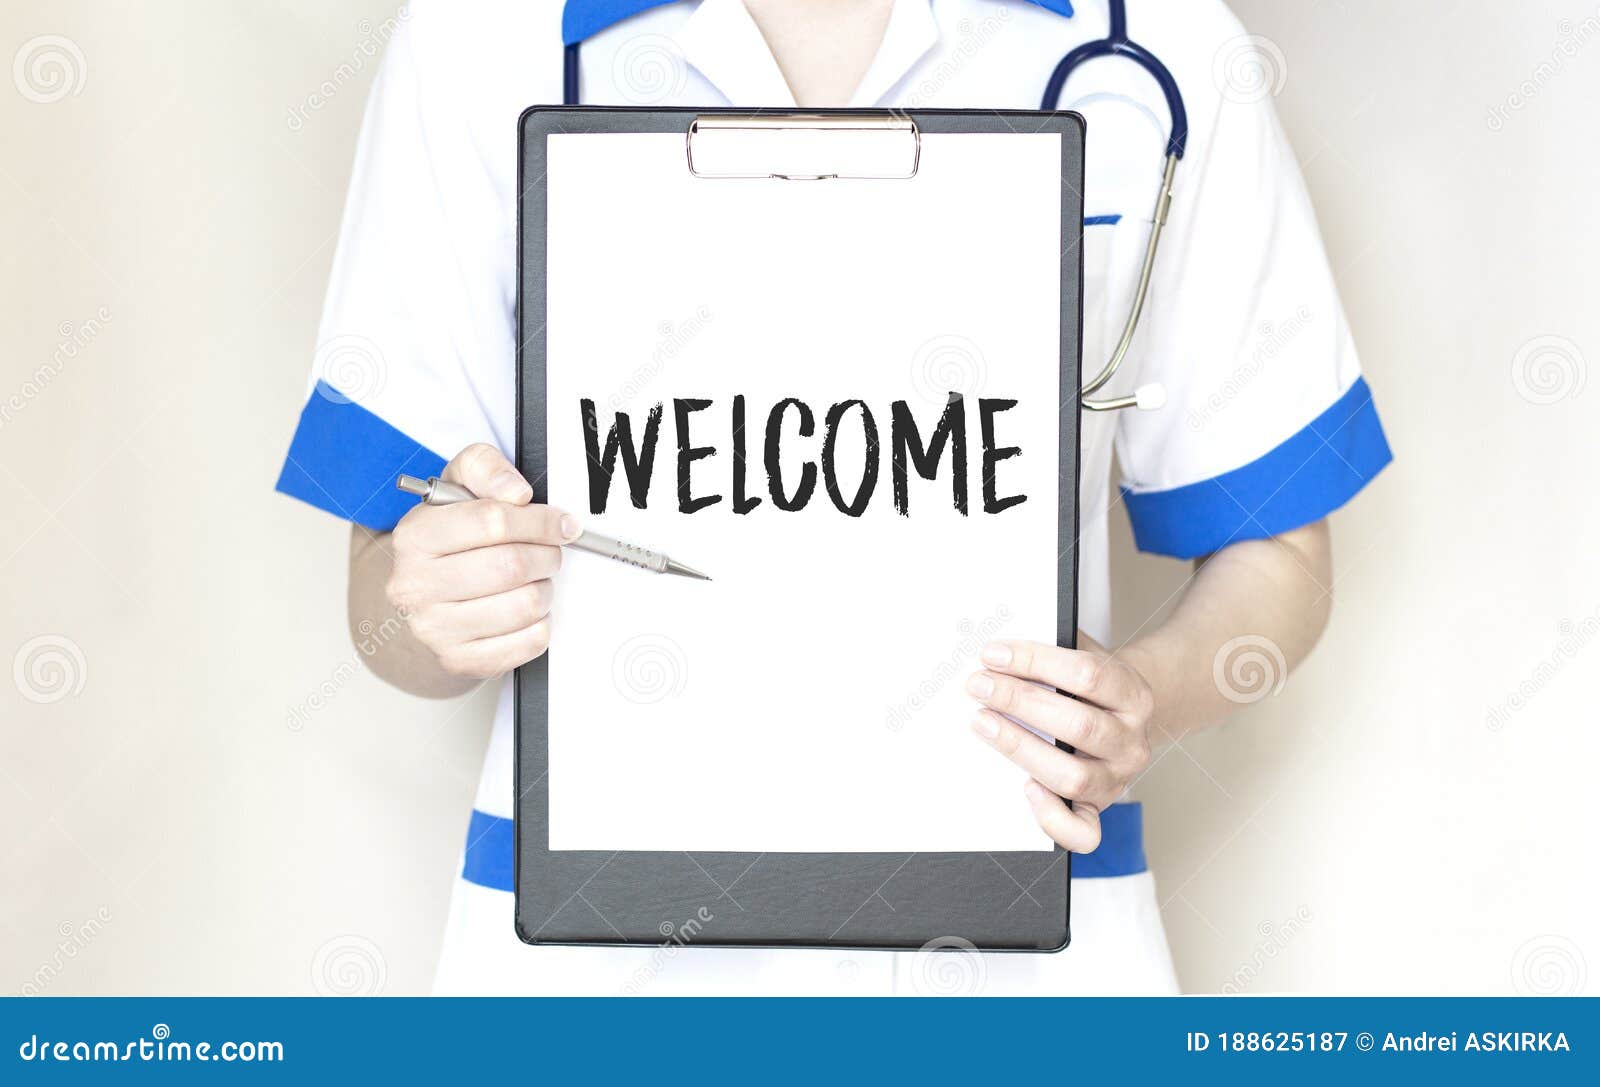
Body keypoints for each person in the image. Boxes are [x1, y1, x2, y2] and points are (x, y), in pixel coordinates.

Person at [276, 0, 1392, 994]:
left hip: (1022, 956)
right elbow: (384, 604)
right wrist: (433, 603)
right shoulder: (480, 38)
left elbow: (1278, 558)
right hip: (593, 969)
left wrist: (1144, 693)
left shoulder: (1162, 46)